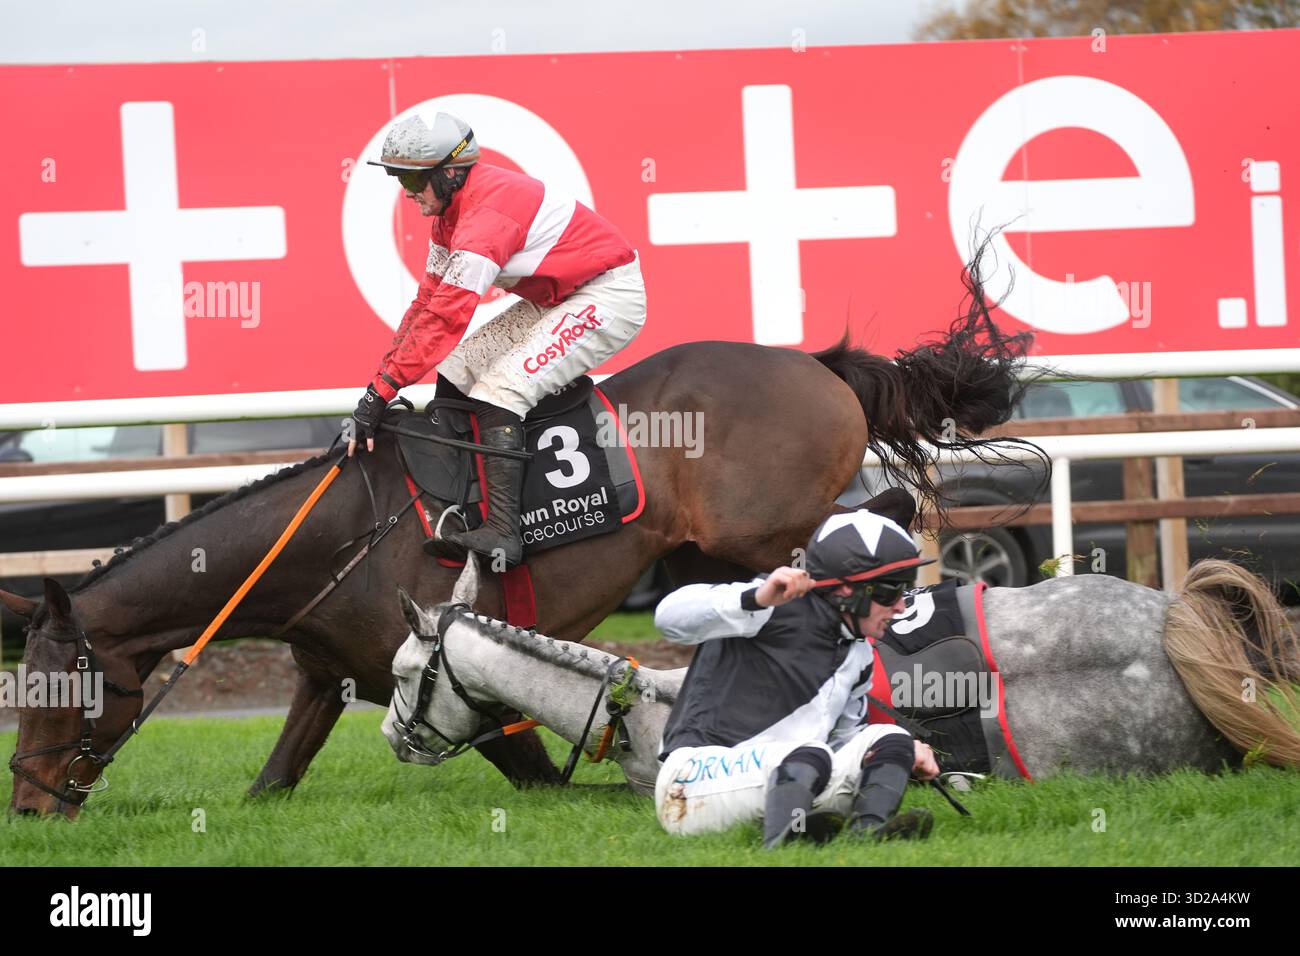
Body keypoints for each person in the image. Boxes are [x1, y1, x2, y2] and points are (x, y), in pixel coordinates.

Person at [350, 112, 647, 566]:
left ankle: (505, 531)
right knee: (455, 371)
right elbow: (426, 303)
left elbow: (448, 316)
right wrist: (379, 383)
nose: (405, 191)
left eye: (412, 177)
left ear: (450, 173)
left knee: (499, 390)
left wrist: (383, 391)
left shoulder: (485, 218)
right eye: (397, 176)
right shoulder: (447, 218)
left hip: (608, 295)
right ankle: (461, 503)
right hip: (558, 298)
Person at [653, 508, 941, 848]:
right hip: (691, 785)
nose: (901, 607)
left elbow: (843, 741)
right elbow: (668, 617)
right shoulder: (770, 605)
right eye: (892, 592)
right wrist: (755, 596)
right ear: (849, 590)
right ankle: (781, 843)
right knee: (808, 753)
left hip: (790, 775)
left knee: (890, 737)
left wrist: (901, 756)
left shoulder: (859, 651)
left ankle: (868, 834)